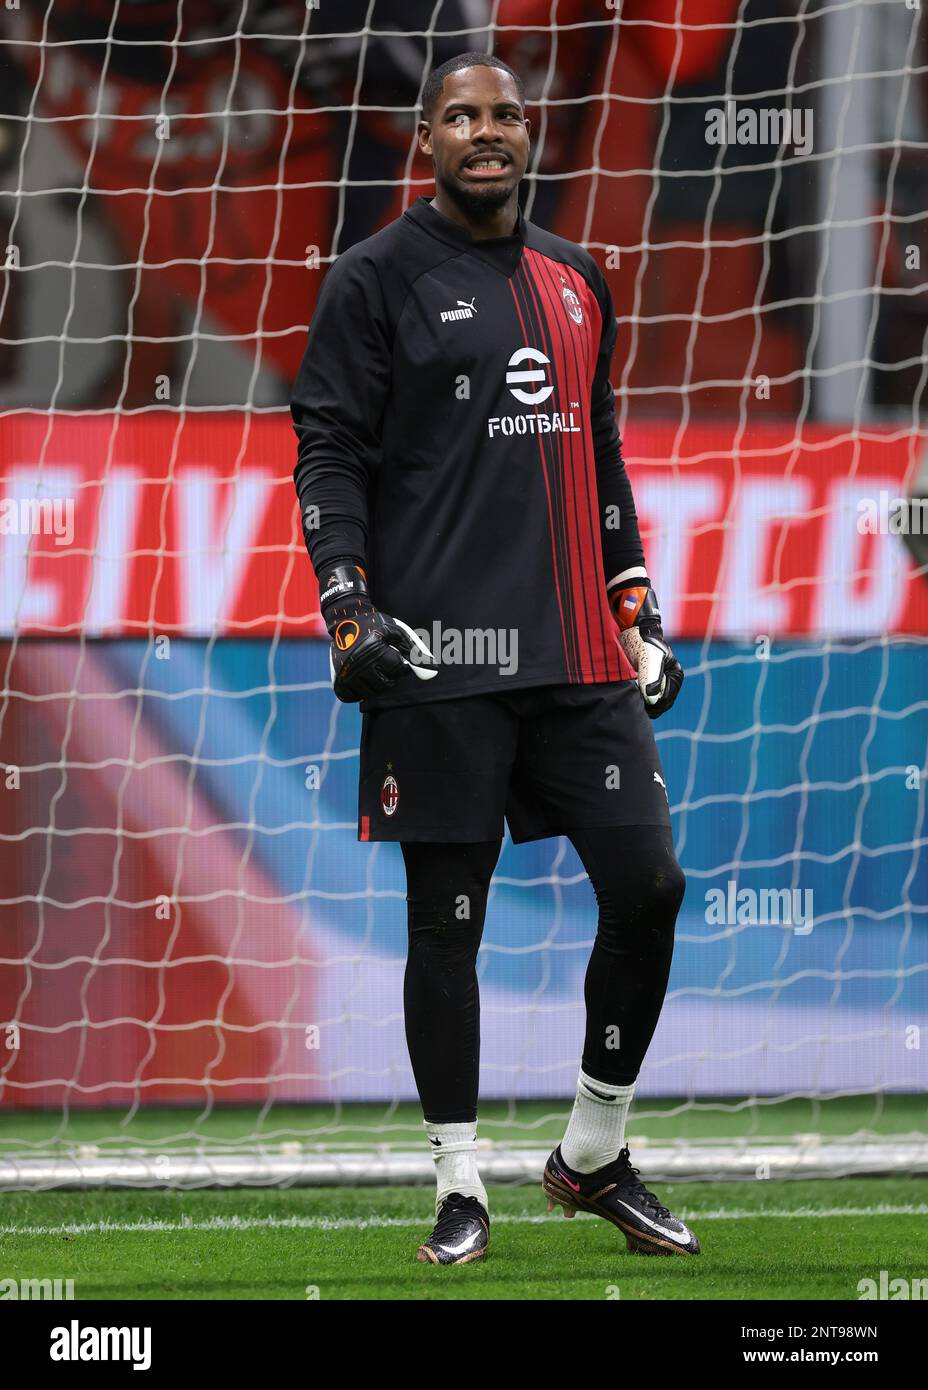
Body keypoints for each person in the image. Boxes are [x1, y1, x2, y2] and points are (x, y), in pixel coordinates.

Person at [291, 51, 697, 1265]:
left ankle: (591, 1152)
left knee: (649, 885)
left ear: (530, 134)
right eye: (462, 116)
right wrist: (347, 598)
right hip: (441, 654)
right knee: (447, 925)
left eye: (505, 115)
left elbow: (599, 450)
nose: (487, 132)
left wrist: (635, 606)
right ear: (426, 139)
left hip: (577, 653)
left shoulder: (578, 280)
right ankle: (457, 1183)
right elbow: (328, 450)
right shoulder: (372, 280)